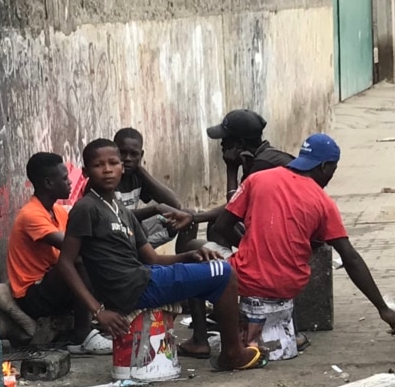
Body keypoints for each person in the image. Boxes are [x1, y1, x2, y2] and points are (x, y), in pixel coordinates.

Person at [56, 138, 265, 371]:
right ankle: (232, 353)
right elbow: (65, 263)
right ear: (86, 171)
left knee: (213, 266)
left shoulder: (123, 212)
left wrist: (191, 254)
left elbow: (154, 259)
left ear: (121, 168)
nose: (107, 170)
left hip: (144, 277)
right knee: (224, 272)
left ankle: (206, 340)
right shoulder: (86, 208)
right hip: (131, 288)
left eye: (113, 163)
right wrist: (99, 311)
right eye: (98, 165)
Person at [212, 133, 395, 359]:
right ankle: (287, 333)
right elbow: (350, 258)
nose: (332, 175)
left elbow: (222, 225)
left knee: (195, 250)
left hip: (247, 278)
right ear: (324, 166)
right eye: (333, 169)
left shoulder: (258, 179)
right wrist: (382, 308)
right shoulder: (324, 203)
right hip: (289, 285)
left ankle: (200, 340)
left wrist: (251, 245)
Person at [174, 109, 295, 359]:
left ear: (239, 144)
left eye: (225, 141)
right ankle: (222, 305)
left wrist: (231, 170)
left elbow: (234, 212)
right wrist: (198, 217)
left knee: (193, 254)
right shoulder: (269, 157)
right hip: (289, 250)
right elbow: (235, 211)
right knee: (213, 230)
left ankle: (199, 338)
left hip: (273, 258)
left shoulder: (261, 167)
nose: (221, 146)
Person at [6, 152, 112, 354]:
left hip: (52, 287)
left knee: (99, 259)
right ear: (48, 183)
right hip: (32, 295)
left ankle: (103, 320)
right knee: (80, 261)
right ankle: (83, 337)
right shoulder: (30, 215)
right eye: (64, 178)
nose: (70, 182)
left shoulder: (59, 212)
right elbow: (73, 247)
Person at [112, 127, 193, 248]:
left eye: (134, 154)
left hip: (135, 233)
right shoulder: (108, 177)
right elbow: (118, 216)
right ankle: (143, 257)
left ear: (141, 155)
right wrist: (156, 208)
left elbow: (174, 204)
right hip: (116, 234)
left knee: (188, 215)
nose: (128, 158)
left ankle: (185, 262)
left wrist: (140, 169)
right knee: (139, 227)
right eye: (123, 153)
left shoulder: (136, 176)